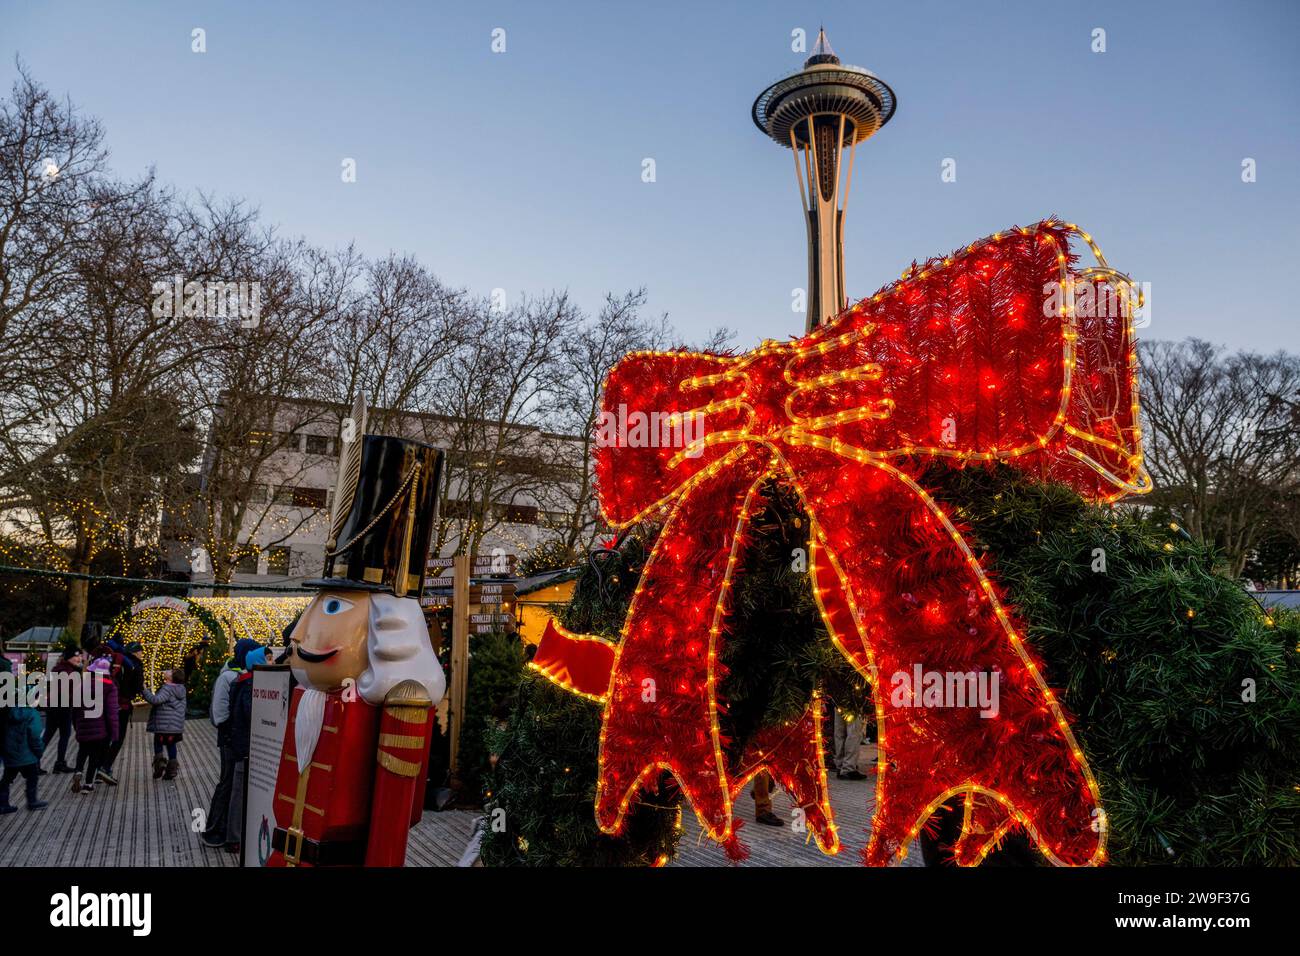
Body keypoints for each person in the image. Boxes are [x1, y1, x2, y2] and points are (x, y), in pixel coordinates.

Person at [200, 638, 260, 848]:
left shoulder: (239, 674)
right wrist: (229, 729)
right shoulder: (229, 677)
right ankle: (213, 829)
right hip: (229, 738)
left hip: (233, 736)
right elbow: (219, 713)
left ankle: (223, 827)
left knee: (231, 782)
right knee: (227, 782)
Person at [70, 656, 119, 794]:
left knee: (82, 750)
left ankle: (78, 771)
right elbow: (112, 713)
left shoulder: (83, 685)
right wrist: (114, 733)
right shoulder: (110, 687)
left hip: (83, 724)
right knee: (94, 756)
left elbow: (75, 707)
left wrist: (76, 725)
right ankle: (88, 784)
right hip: (100, 727)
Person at [99, 639, 144, 785]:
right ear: (136, 652)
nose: (143, 654)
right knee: (118, 738)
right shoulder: (135, 666)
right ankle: (105, 767)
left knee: (106, 736)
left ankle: (97, 766)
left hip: (107, 703)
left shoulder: (116, 661)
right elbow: (138, 688)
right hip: (123, 706)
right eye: (141, 652)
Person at [0, 700, 48, 813]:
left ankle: (3, 804)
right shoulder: (32, 713)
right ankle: (32, 801)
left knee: (6, 779)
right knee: (32, 777)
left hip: (10, 754)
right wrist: (39, 751)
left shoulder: (8, 711)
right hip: (28, 756)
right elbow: (35, 736)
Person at [42, 647, 83, 774]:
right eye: (75, 656)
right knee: (62, 735)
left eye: (80, 656)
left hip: (57, 707)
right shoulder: (66, 671)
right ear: (68, 658)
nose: (79, 658)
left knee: (49, 735)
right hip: (62, 707)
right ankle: (59, 763)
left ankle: (36, 762)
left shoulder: (63, 668)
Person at [142, 668, 187, 780]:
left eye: (170, 671)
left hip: (163, 725)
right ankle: (172, 769)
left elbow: (156, 700)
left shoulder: (167, 688)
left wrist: (144, 690)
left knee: (158, 742)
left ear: (171, 678)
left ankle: (159, 764)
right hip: (175, 725)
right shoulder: (181, 689)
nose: (167, 671)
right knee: (171, 745)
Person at [832, 703, 867, 781]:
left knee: (840, 733)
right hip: (852, 702)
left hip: (838, 700)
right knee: (853, 734)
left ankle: (840, 766)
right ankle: (848, 768)